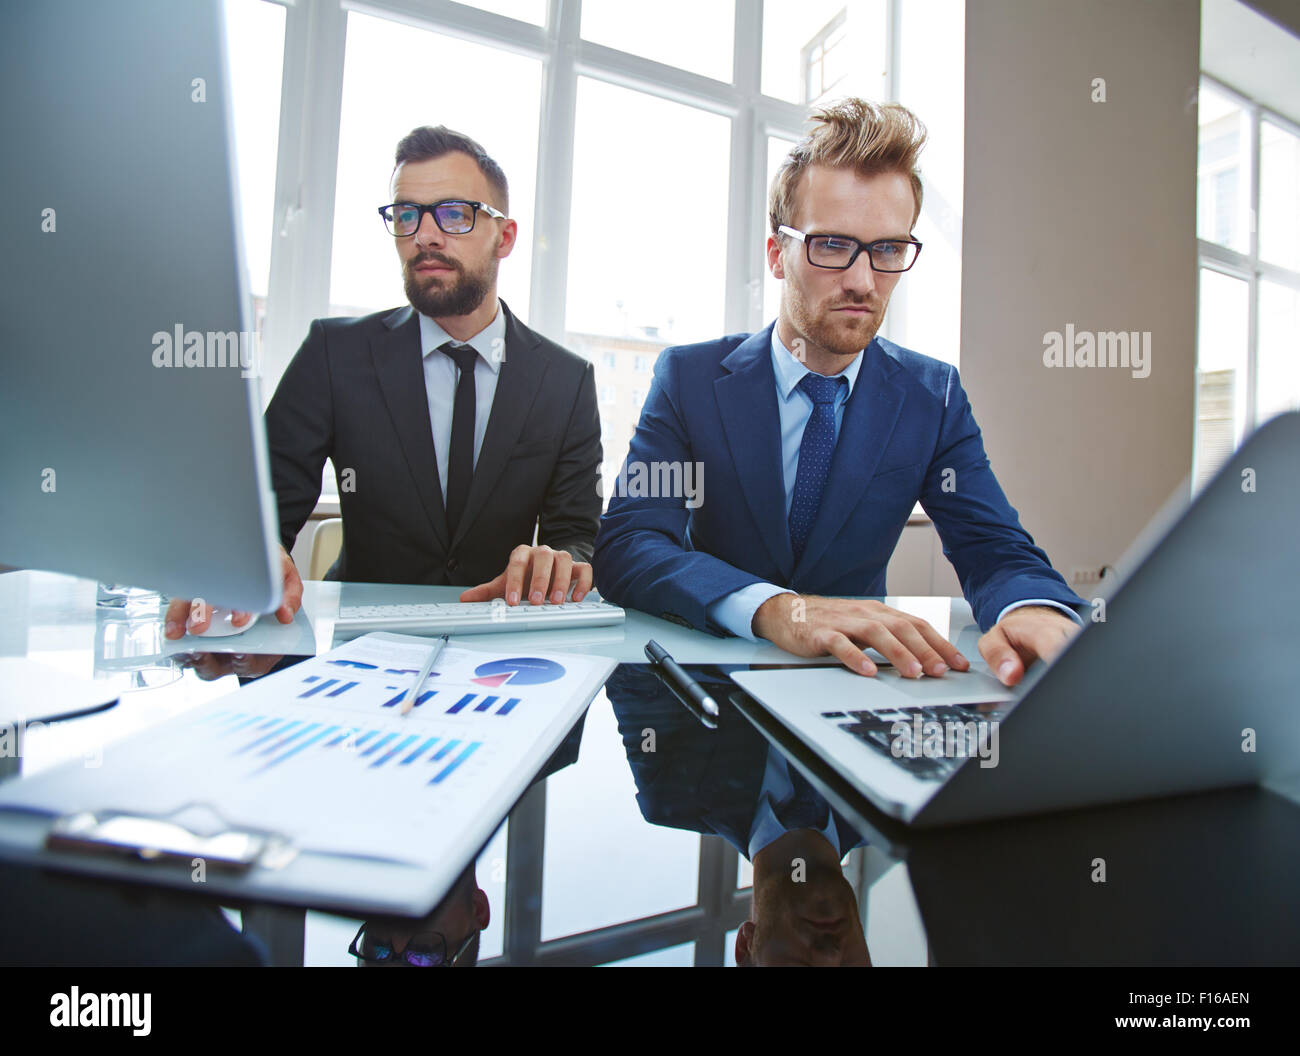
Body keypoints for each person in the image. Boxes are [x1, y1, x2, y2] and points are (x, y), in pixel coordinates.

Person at [594, 98, 1083, 687]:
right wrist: (775, 609)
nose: (862, 281)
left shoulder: (934, 395)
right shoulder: (690, 379)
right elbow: (630, 542)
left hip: (861, 681)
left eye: (888, 250)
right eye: (831, 246)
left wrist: (1030, 606)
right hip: (706, 684)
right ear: (778, 254)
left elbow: (992, 543)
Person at [166, 126, 601, 638]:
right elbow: (263, 502)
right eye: (406, 214)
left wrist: (558, 563)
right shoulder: (334, 354)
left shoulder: (566, 380)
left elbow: (575, 536)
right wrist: (251, 553)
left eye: (455, 214)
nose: (425, 236)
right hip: (356, 646)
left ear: (503, 237)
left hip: (502, 645)